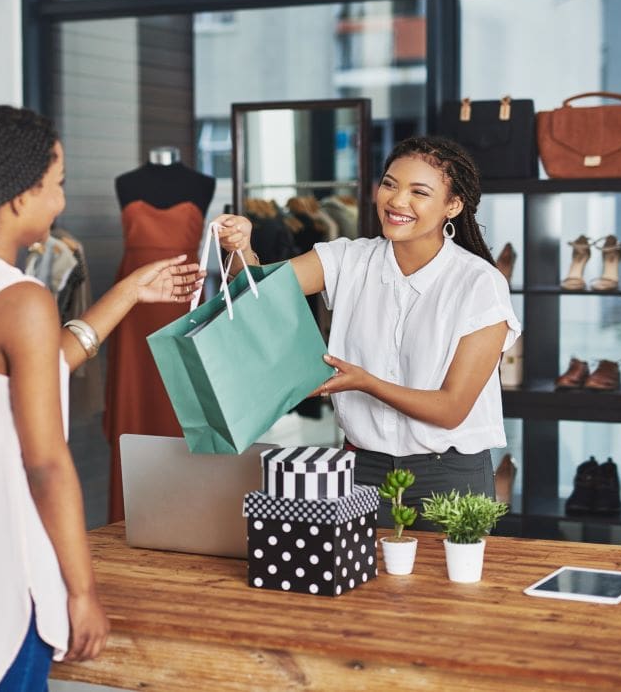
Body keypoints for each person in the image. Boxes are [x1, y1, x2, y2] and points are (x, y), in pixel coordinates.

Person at [0, 105, 203, 692]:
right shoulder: (20, 299)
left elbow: (46, 363)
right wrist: (82, 592)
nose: (60, 202)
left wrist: (130, 291)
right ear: (14, 199)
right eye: (56, 186)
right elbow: (47, 466)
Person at [216, 135, 520, 528]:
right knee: (358, 588)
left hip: (449, 477)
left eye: (419, 192)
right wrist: (240, 246)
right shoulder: (347, 259)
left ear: (453, 205)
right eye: (390, 184)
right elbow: (256, 291)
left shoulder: (480, 283)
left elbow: (451, 409)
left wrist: (365, 382)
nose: (397, 201)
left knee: (448, 590)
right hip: (361, 471)